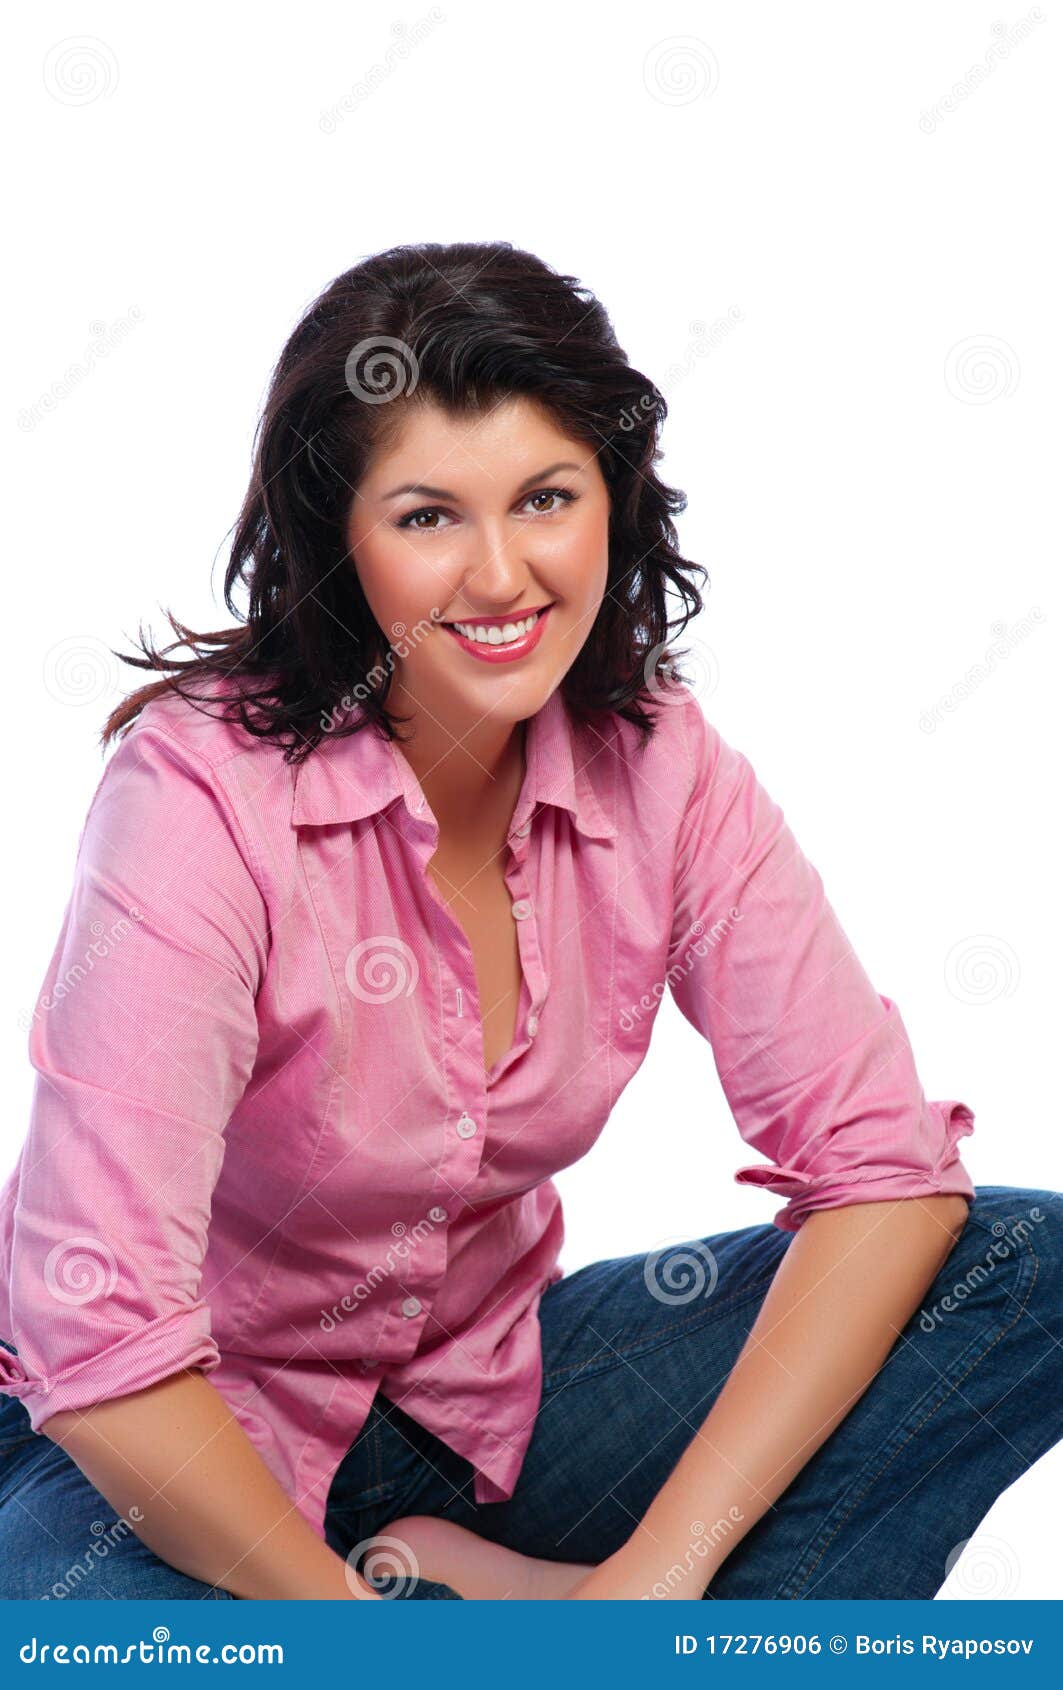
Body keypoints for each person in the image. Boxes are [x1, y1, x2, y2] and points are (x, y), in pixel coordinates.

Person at [1, 242, 1061, 1602]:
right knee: (70, 1624)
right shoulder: (197, 793)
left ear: (610, 503)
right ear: (341, 539)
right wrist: (348, 1636)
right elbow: (100, 1339)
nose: (501, 576)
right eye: (430, 516)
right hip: (167, 1445)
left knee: (1019, 1267)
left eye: (546, 499)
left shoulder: (660, 758)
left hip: (476, 1414)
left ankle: (597, 1633)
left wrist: (645, 1578)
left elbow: (882, 1168)